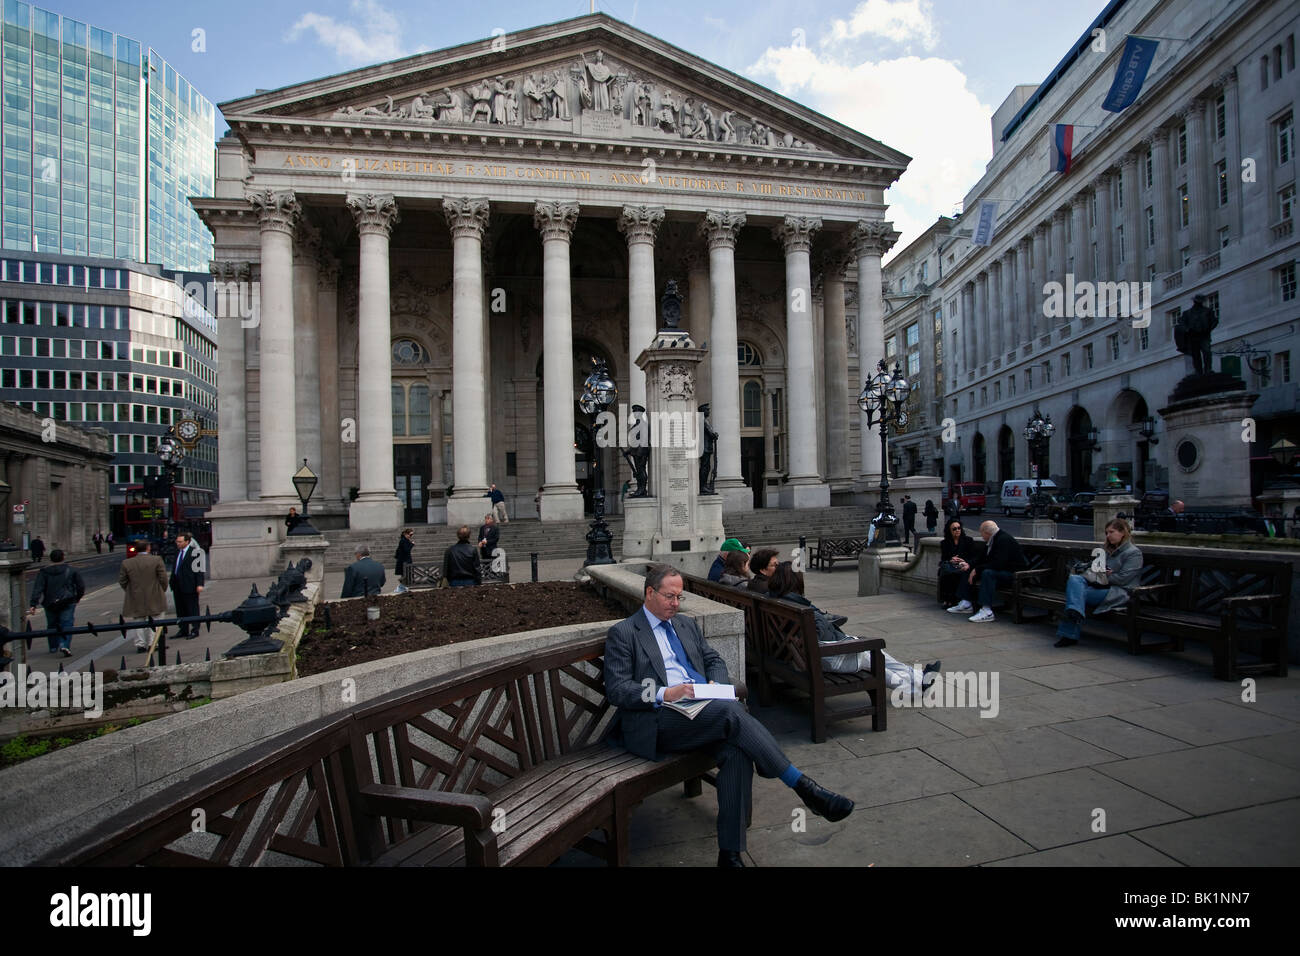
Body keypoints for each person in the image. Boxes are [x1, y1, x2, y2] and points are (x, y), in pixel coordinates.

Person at [603, 564, 855, 867]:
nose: (675, 604)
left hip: (702, 711)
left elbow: (713, 658)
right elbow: (618, 690)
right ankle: (803, 787)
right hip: (657, 720)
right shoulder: (625, 632)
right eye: (669, 597)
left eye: (679, 598)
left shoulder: (685, 624)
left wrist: (716, 685)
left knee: (736, 752)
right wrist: (663, 693)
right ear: (649, 593)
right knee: (729, 712)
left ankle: (730, 854)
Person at [767, 562, 939, 693]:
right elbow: (817, 634)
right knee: (872, 653)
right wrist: (825, 623)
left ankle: (917, 679)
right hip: (823, 658)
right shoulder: (799, 607)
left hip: (796, 656)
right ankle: (916, 683)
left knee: (871, 656)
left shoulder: (775, 600)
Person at [1054, 518, 1143, 647]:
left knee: (1076, 596)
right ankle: (1074, 613)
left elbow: (1123, 579)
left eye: (1111, 532)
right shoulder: (1106, 551)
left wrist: (1103, 576)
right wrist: (1095, 571)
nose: (1108, 536)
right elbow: (1095, 569)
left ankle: (1070, 633)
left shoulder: (1133, 553)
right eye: (1107, 533)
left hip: (1119, 592)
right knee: (1075, 580)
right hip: (1099, 587)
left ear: (1122, 532)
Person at [946, 520, 1027, 623]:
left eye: (982, 533)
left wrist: (977, 569)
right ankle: (966, 603)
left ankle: (987, 611)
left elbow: (998, 564)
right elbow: (981, 558)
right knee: (968, 569)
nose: (982, 536)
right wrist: (969, 564)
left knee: (987, 573)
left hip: (1015, 576)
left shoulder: (1004, 540)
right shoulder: (993, 539)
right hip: (1002, 572)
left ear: (987, 533)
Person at [28, 549, 85, 656]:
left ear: (51, 558)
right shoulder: (72, 570)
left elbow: (38, 588)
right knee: (67, 624)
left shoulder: (44, 572)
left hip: (49, 602)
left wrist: (33, 604)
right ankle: (64, 644)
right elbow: (80, 586)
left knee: (51, 625)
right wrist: (77, 597)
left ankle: (53, 647)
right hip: (67, 601)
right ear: (63, 557)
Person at [119, 539, 169, 652]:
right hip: (155, 594)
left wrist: (130, 591)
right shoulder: (156, 560)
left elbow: (122, 581)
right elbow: (163, 578)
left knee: (138, 622)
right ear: (148, 548)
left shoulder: (127, 563)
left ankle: (140, 645)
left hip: (136, 596)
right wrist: (162, 589)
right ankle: (153, 643)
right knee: (156, 620)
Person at [169, 532, 205, 638]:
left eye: (180, 542)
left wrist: (199, 584)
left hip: (190, 585)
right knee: (180, 609)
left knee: (192, 608)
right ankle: (183, 629)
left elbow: (199, 570)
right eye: (177, 541)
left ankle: (195, 629)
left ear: (187, 542)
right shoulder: (177, 552)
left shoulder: (194, 553)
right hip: (177, 585)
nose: (178, 544)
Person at [937, 519, 980, 607]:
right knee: (946, 572)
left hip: (964, 565)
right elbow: (944, 558)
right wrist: (951, 559)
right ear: (949, 531)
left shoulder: (968, 540)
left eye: (959, 528)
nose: (957, 530)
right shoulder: (945, 543)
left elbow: (974, 557)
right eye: (954, 529)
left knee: (950, 573)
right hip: (951, 565)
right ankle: (947, 599)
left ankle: (951, 599)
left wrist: (964, 561)